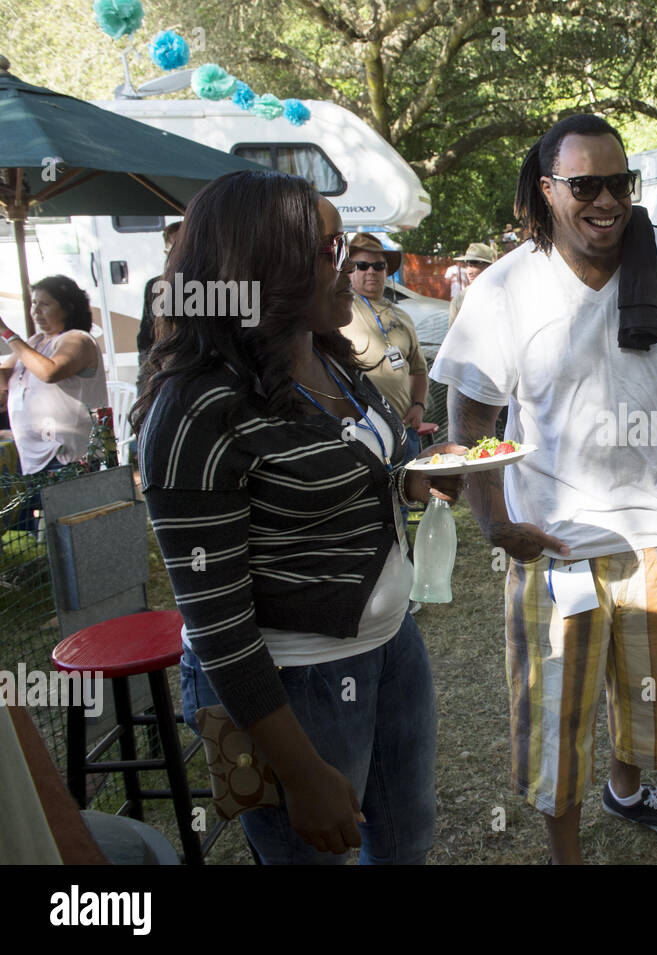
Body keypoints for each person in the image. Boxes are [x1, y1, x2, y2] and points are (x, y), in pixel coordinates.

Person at [132, 169, 464, 864]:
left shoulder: (327, 356)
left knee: (406, 845)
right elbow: (218, 628)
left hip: (390, 649)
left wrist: (416, 481)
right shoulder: (195, 412)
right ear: (263, 266)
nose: (350, 267)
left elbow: (361, 474)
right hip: (290, 687)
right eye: (329, 249)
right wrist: (301, 772)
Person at [431, 114, 657, 864]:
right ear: (547, 189)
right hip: (553, 549)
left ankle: (626, 790)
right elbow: (468, 408)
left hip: (653, 534)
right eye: (584, 184)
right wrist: (496, 524)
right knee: (556, 727)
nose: (606, 201)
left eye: (619, 183)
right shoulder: (506, 286)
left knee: (647, 697)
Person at [0, 275, 108, 481]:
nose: (36, 311)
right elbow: (3, 377)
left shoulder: (77, 339)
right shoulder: (35, 341)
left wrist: (6, 333)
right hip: (34, 459)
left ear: (68, 308)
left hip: (68, 459)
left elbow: (49, 372)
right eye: (34, 303)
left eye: (45, 304)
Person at [341, 232, 431, 467]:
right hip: (363, 429)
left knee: (405, 497)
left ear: (385, 271)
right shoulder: (341, 308)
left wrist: (419, 406)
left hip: (404, 428)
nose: (371, 271)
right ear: (350, 270)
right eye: (362, 265)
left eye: (378, 266)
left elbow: (419, 370)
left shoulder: (402, 316)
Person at [137, 220, 184, 385]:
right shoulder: (155, 287)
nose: (182, 251)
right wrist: (145, 382)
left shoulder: (217, 284)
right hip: (163, 372)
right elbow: (146, 338)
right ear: (166, 252)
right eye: (175, 246)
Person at [447, 242, 497, 327]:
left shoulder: (501, 294)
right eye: (467, 265)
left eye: (474, 265)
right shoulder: (459, 300)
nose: (469, 271)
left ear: (489, 266)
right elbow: (453, 336)